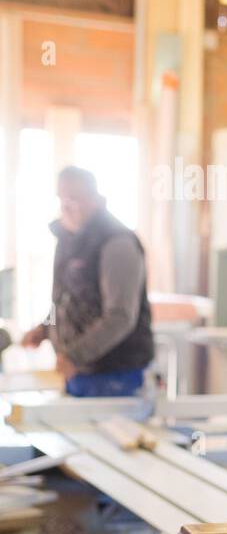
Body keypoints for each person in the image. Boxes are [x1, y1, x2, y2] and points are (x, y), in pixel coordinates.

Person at [21, 166, 154, 397]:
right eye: (61, 198)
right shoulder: (68, 238)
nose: (66, 206)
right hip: (80, 372)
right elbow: (61, 301)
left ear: (94, 197)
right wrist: (45, 328)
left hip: (114, 374)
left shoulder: (117, 243)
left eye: (73, 197)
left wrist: (74, 355)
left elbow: (120, 316)